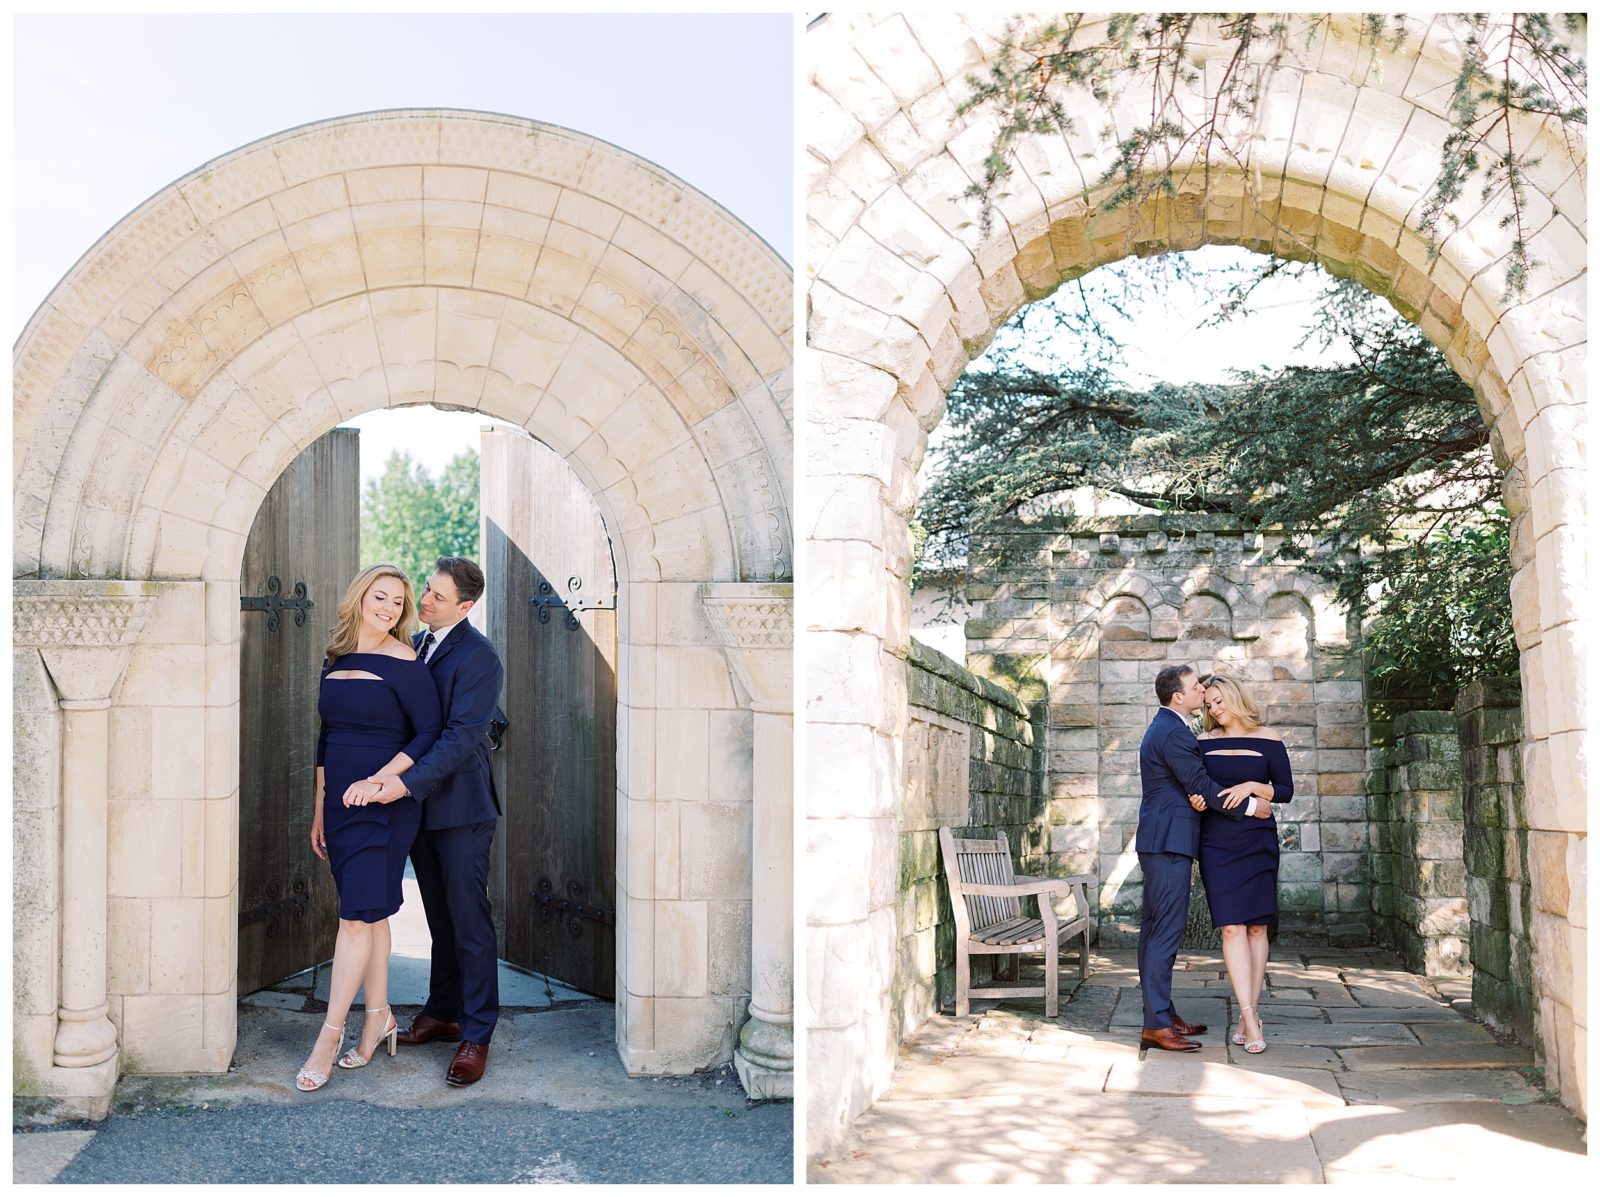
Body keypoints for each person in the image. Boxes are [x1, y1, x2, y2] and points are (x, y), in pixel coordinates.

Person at [351, 557, 505, 1088]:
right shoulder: (416, 644)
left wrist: (402, 784)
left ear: (465, 606)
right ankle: (443, 1012)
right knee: (439, 918)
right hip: (418, 811)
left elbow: (460, 739)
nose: (426, 602)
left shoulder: (480, 657)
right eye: (429, 592)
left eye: (438, 597)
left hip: (461, 811)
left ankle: (477, 1033)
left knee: (470, 924)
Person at [297, 565, 441, 1092]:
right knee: (373, 914)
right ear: (359, 598)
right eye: (380, 598)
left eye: (399, 603)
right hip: (340, 803)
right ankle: (378, 1017)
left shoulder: (407, 663)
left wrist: (380, 782)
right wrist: (320, 809)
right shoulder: (334, 660)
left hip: (385, 803)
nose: (389, 609)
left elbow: (429, 733)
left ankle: (328, 1038)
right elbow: (325, 740)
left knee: (355, 920)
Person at [1135, 664, 1273, 1052]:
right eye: (1196, 688)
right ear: (1178, 696)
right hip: (1168, 843)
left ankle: (1161, 1013)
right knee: (1164, 933)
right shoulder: (1174, 732)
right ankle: (1157, 1025)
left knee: (1154, 932)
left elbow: (1189, 788)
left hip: (1163, 841)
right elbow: (1199, 784)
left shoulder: (1168, 728)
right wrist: (1250, 808)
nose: (1202, 692)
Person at [1185, 675, 1294, 1054]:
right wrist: (1195, 801)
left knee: (1257, 929)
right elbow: (1196, 787)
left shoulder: (1269, 738)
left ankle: (1252, 1012)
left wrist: (1252, 787)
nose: (1213, 710)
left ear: (1234, 697)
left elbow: (1285, 791)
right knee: (1231, 928)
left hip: (1258, 840)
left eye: (1218, 701)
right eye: (1208, 705)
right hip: (1217, 841)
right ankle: (1247, 1017)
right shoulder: (1201, 743)